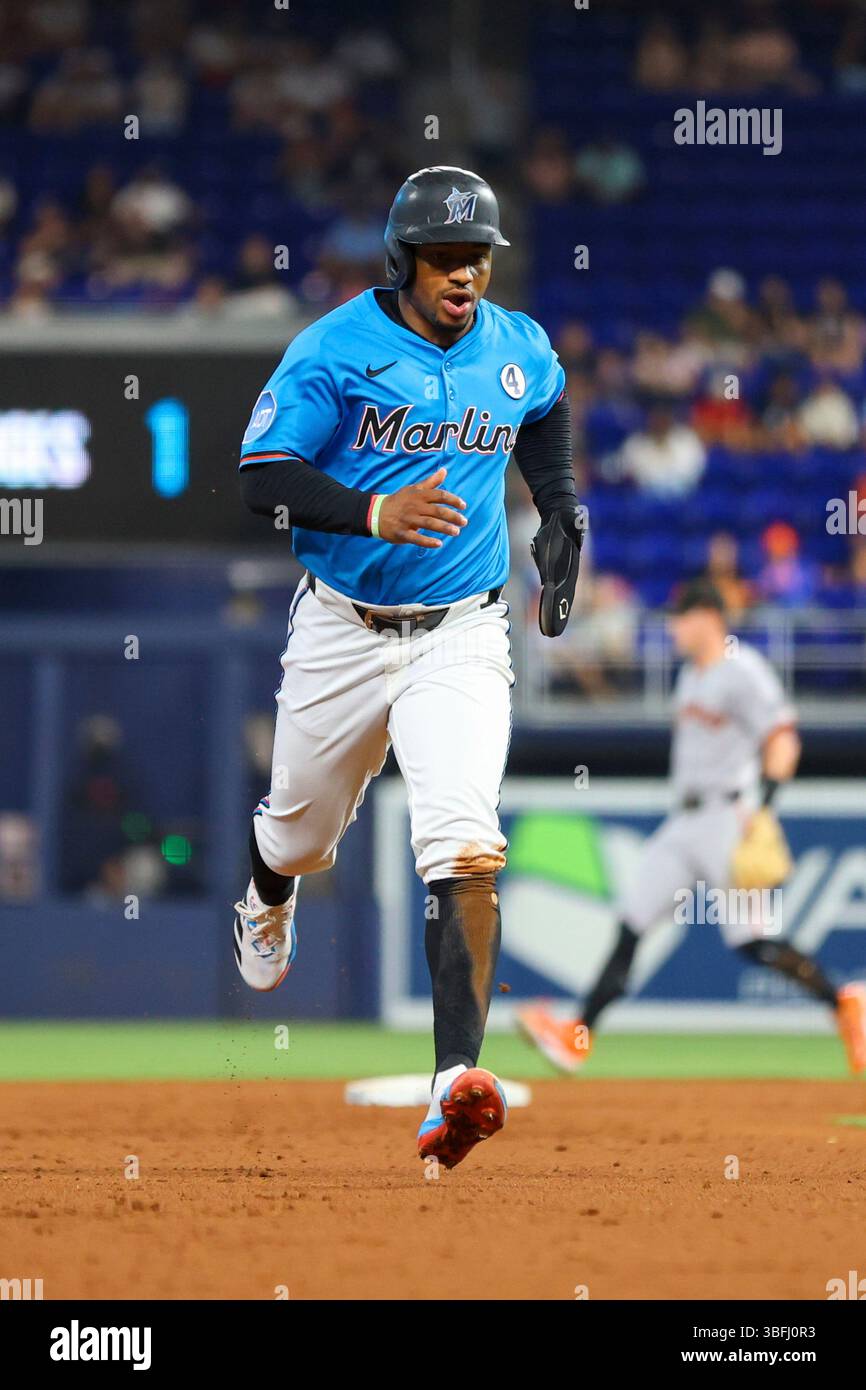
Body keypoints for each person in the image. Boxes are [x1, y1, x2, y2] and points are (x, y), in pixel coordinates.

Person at [233, 167, 584, 1168]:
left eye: (476, 255)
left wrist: (556, 505)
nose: (465, 273)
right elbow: (262, 477)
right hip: (343, 625)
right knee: (300, 833)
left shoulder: (512, 345)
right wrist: (372, 509)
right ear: (401, 260)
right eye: (443, 256)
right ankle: (265, 897)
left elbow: (545, 406)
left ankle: (450, 1085)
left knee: (464, 842)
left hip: (460, 632)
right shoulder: (335, 349)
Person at [518, 580, 866, 1076]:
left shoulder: (742, 670)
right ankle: (578, 1037)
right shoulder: (690, 677)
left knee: (752, 942)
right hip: (686, 821)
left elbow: (783, 738)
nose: (674, 629)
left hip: (731, 818)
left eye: (680, 619)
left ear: (706, 617)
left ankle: (844, 1002)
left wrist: (763, 805)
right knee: (632, 923)